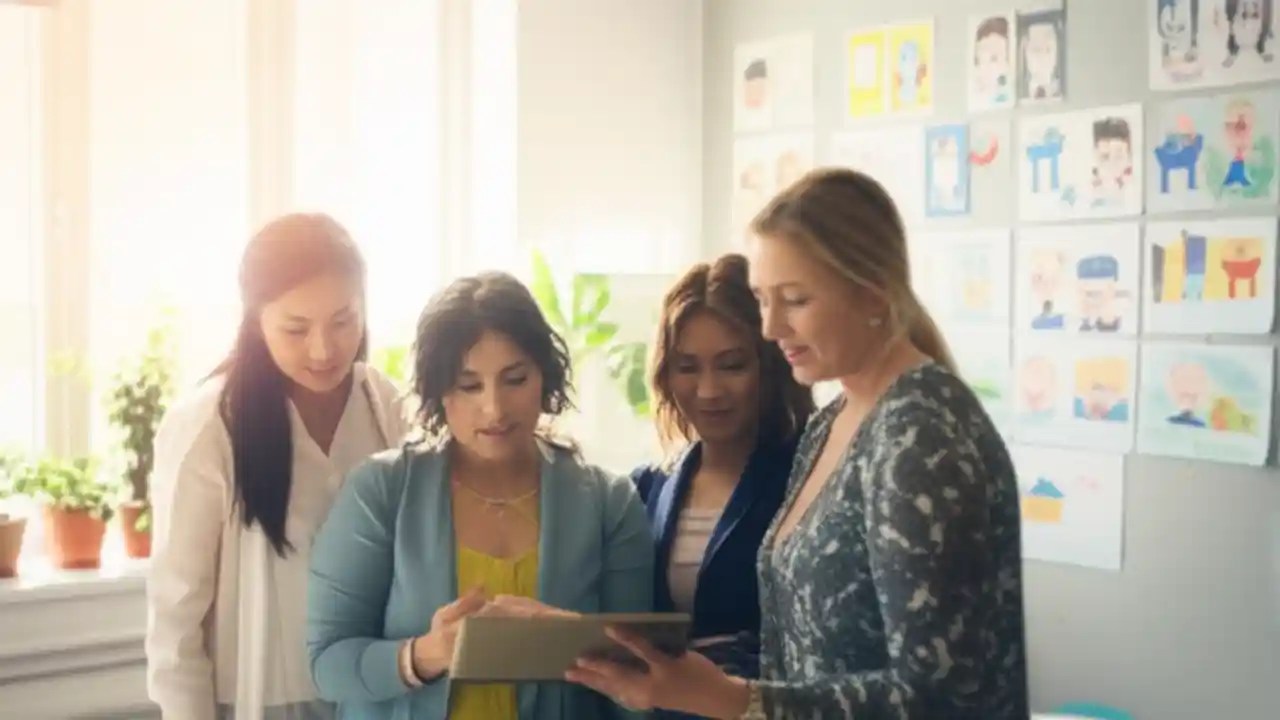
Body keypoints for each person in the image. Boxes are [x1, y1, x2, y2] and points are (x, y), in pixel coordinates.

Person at [565, 167, 1029, 719]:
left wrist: (729, 697)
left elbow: (941, 697)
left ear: (872, 293)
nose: (770, 327)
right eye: (763, 299)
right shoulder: (831, 424)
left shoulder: (920, 435)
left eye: (795, 300)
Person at [306, 271, 654, 720]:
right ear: (438, 391)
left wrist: (567, 637)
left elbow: (641, 683)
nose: (494, 408)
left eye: (515, 378)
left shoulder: (610, 503)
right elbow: (327, 662)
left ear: (544, 377)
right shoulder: (381, 491)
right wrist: (425, 655)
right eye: (469, 385)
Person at [146, 213, 412, 720]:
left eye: (343, 320)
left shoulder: (386, 405)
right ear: (255, 321)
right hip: (257, 699)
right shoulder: (209, 425)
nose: (323, 349)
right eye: (296, 328)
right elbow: (175, 619)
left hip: (371, 696)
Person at [630, 254, 814, 718]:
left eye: (731, 365)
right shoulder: (645, 489)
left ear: (769, 365)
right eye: (688, 367)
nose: (709, 391)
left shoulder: (808, 476)